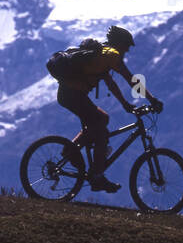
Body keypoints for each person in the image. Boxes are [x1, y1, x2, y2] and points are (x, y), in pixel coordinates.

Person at [55, 25, 163, 192]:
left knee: (102, 120)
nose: (126, 51)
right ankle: (96, 176)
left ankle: (72, 151)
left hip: (68, 94)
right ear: (120, 43)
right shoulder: (112, 55)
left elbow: (111, 84)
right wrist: (152, 99)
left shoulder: (101, 54)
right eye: (126, 46)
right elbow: (131, 79)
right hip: (72, 95)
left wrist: (125, 104)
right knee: (99, 126)